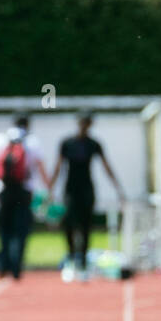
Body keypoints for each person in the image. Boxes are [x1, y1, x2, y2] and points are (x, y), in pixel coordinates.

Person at [50, 112, 124, 282]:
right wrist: (50, 189)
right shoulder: (67, 143)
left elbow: (107, 166)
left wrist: (118, 188)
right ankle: (70, 256)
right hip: (70, 189)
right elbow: (58, 166)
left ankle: (82, 261)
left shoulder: (94, 144)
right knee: (68, 222)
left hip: (87, 189)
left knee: (85, 225)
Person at [0, 113, 48, 281]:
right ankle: (17, 268)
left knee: (5, 229)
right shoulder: (32, 141)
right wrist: (49, 189)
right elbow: (40, 167)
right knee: (21, 229)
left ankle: (3, 265)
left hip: (3, 190)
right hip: (24, 191)